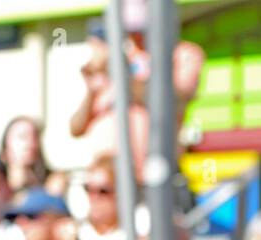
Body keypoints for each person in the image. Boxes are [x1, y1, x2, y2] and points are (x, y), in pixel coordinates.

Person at [68, 1, 203, 179]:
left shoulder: (182, 54)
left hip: (155, 176)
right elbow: (76, 128)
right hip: (107, 183)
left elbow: (169, 101)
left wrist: (116, 70)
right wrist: (92, 89)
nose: (135, 36)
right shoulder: (119, 58)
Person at [0, 116, 66, 197]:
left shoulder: (53, 180)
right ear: (6, 145)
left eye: (35, 137)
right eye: (22, 137)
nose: (30, 143)